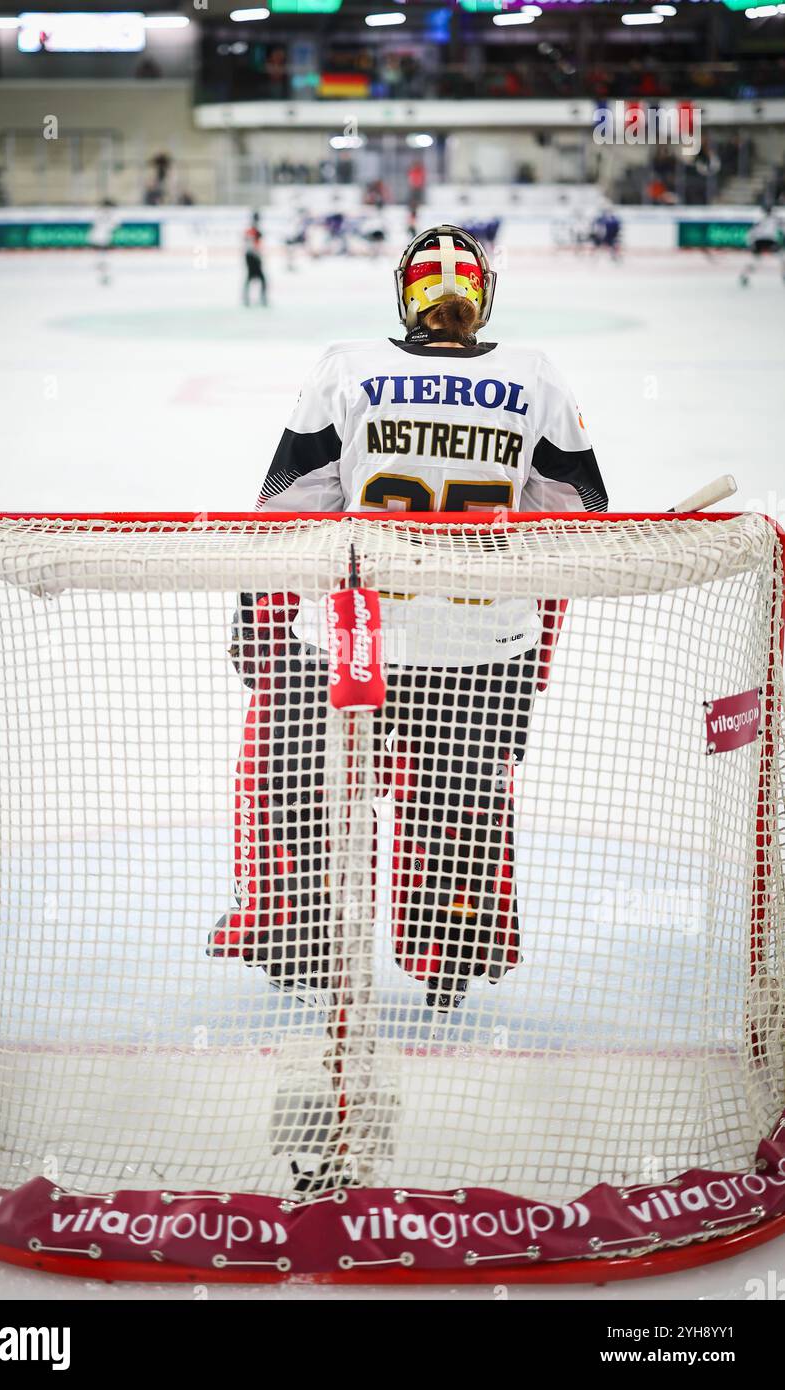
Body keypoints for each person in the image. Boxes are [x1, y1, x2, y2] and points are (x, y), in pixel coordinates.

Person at [209, 227, 607, 1184]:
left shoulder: (347, 368)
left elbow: (286, 507)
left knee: (301, 797)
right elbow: (584, 518)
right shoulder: (538, 375)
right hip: (484, 652)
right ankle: (450, 954)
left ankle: (295, 941)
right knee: (464, 814)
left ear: (407, 297)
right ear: (483, 299)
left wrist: (250, 614)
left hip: (350, 643)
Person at [739, 203, 785, 288]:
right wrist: (750, 243)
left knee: (757, 260)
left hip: (762, 241)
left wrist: (749, 243)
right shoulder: (771, 219)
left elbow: (751, 232)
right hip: (767, 240)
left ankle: (745, 275)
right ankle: (745, 275)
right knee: (780, 257)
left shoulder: (761, 219)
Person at [242, 211, 268, 306]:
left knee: (251, 278)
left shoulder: (252, 230)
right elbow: (251, 245)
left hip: (250, 256)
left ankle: (247, 299)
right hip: (252, 256)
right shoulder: (253, 230)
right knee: (260, 279)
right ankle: (261, 299)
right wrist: (257, 256)